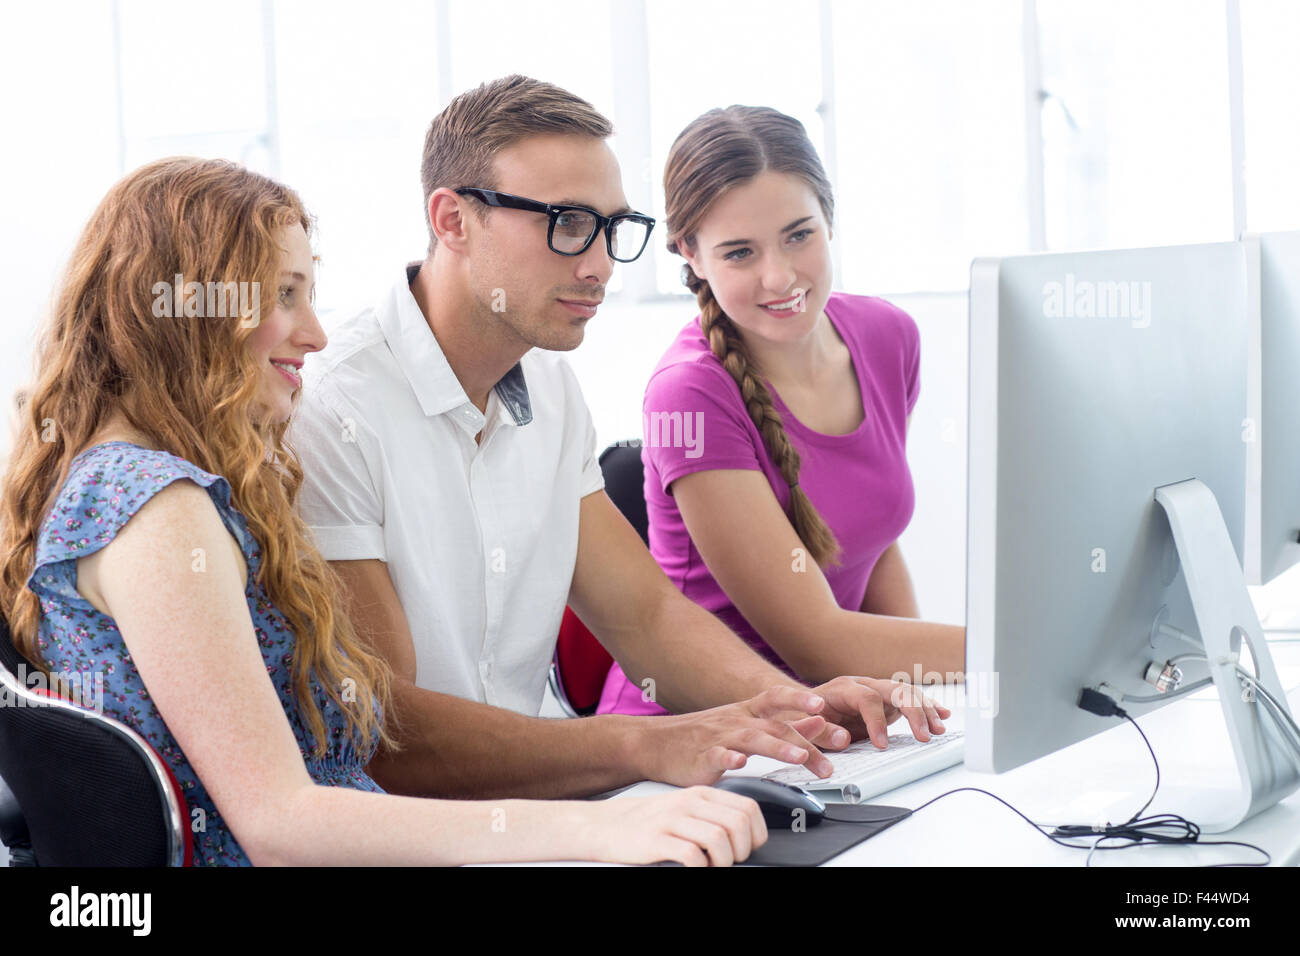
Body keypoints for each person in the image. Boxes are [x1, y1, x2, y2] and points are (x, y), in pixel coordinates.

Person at [0, 156, 770, 866]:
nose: (315, 332)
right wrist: (596, 826)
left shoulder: (117, 480)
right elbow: (278, 822)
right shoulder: (156, 509)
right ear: (187, 307)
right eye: (284, 296)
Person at [288, 74, 950, 803]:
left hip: (545, 810)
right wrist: (647, 743)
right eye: (568, 224)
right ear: (452, 220)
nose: (600, 265)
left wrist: (800, 713)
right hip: (416, 832)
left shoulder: (548, 384)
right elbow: (392, 734)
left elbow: (645, 616)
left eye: (612, 229)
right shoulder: (333, 411)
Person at [598, 106, 966, 717]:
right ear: (691, 253)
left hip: (845, 715)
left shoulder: (887, 336)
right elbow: (818, 642)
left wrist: (927, 698)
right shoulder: (687, 395)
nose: (780, 276)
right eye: (740, 253)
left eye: (800, 235)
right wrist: (1015, 649)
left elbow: (871, 547)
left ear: (830, 219)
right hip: (706, 734)